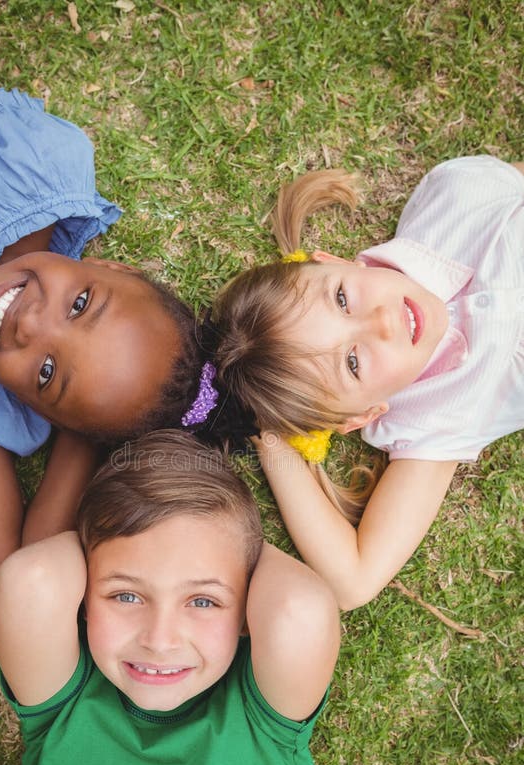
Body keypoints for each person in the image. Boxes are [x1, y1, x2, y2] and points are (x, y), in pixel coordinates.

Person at [0, 429, 340, 765]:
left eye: (203, 601)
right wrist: (102, 537)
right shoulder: (62, 706)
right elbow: (29, 581)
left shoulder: (263, 723)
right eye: (126, 595)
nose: (159, 640)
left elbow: (301, 609)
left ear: (247, 610)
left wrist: (237, 542)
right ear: (84, 596)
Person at [0, 8, 201, 604]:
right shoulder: (31, 175)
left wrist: (87, 433)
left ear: (32, 407)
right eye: (80, 304)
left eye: (49, 373)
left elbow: (11, 589)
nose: (30, 323)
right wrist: (75, 407)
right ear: (112, 267)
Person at [188, 158, 524, 611]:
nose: (383, 320)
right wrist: (266, 433)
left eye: (342, 298)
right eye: (352, 363)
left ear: (332, 261)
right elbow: (353, 581)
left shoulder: (456, 195)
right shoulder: (438, 416)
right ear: (362, 415)